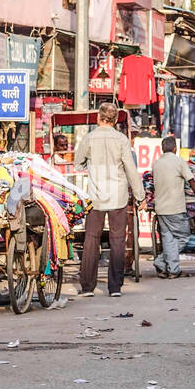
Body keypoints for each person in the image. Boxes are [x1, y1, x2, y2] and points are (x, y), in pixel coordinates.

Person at [73, 102, 143, 297]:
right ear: (115, 120)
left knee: (91, 240)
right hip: (118, 195)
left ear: (98, 118)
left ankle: (87, 286)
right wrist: (140, 196)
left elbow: (78, 164)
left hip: (95, 196)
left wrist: (89, 162)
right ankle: (115, 287)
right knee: (118, 240)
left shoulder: (89, 138)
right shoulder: (121, 140)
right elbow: (130, 168)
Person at [152, 135, 195, 279]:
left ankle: (172, 269)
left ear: (162, 149)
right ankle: (161, 262)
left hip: (161, 208)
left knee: (168, 238)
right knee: (184, 237)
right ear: (175, 149)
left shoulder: (156, 163)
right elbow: (192, 181)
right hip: (175, 207)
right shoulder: (179, 162)